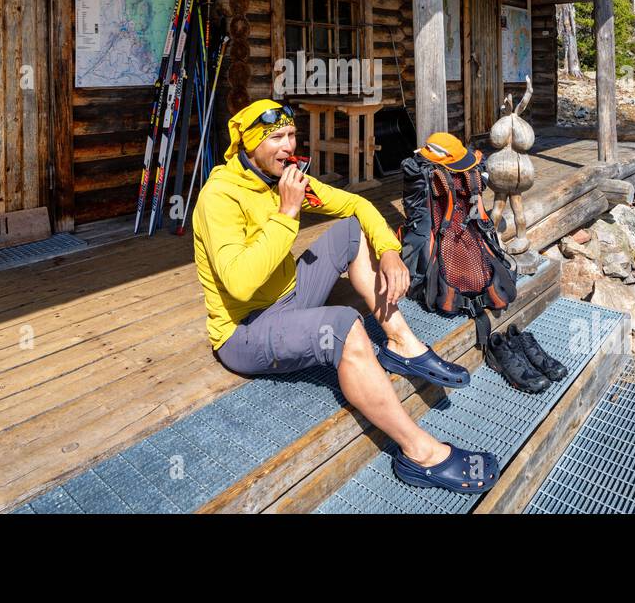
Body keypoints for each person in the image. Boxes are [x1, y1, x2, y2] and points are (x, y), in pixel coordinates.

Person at [192, 98, 500, 493]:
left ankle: (401, 342)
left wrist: (389, 250)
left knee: (351, 231)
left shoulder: (281, 178)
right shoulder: (220, 196)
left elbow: (355, 204)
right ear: (250, 144)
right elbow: (239, 282)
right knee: (344, 326)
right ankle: (418, 454)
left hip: (288, 298)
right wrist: (286, 214)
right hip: (245, 331)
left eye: (291, 135)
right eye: (277, 138)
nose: (289, 146)